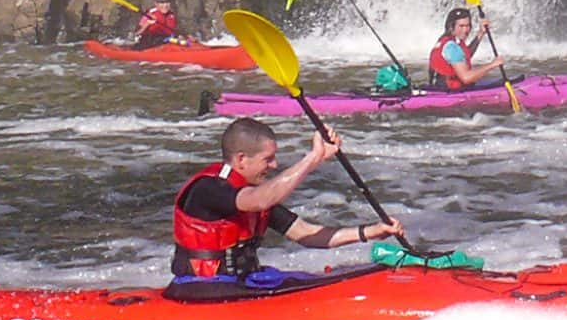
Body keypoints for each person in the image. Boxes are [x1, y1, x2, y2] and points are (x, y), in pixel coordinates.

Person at [169, 118, 404, 296]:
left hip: (240, 285)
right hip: (200, 290)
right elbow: (259, 199)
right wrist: (313, 159)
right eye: (268, 159)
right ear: (241, 159)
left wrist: (371, 232)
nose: (274, 165)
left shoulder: (255, 193)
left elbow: (306, 234)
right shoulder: (209, 189)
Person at [425, 7, 507, 91]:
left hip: (440, 88)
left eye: (467, 26)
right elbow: (466, 78)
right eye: (461, 26)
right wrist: (492, 65)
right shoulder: (452, 47)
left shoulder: (447, 41)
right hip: (451, 93)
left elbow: (464, 56)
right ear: (451, 26)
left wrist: (481, 33)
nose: (465, 30)